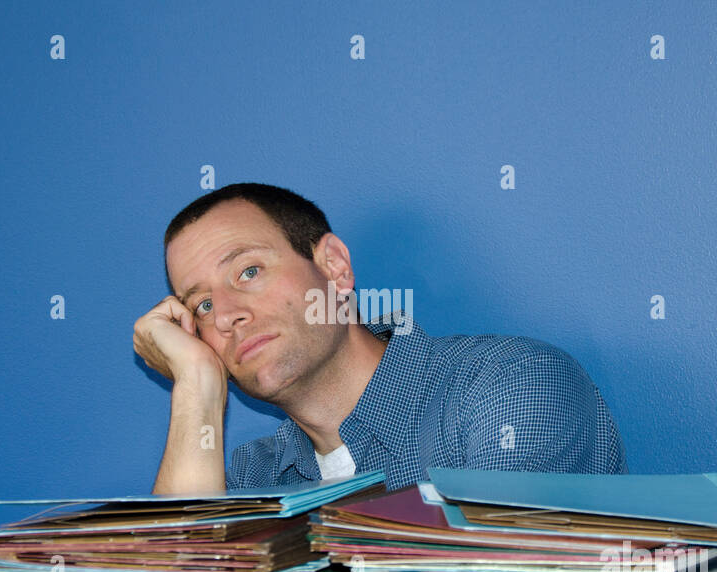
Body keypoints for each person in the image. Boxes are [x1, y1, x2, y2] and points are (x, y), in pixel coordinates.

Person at [133, 182, 627, 494]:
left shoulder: (504, 388)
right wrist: (196, 386)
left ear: (334, 267)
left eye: (249, 271)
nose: (227, 317)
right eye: (202, 304)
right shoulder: (255, 474)